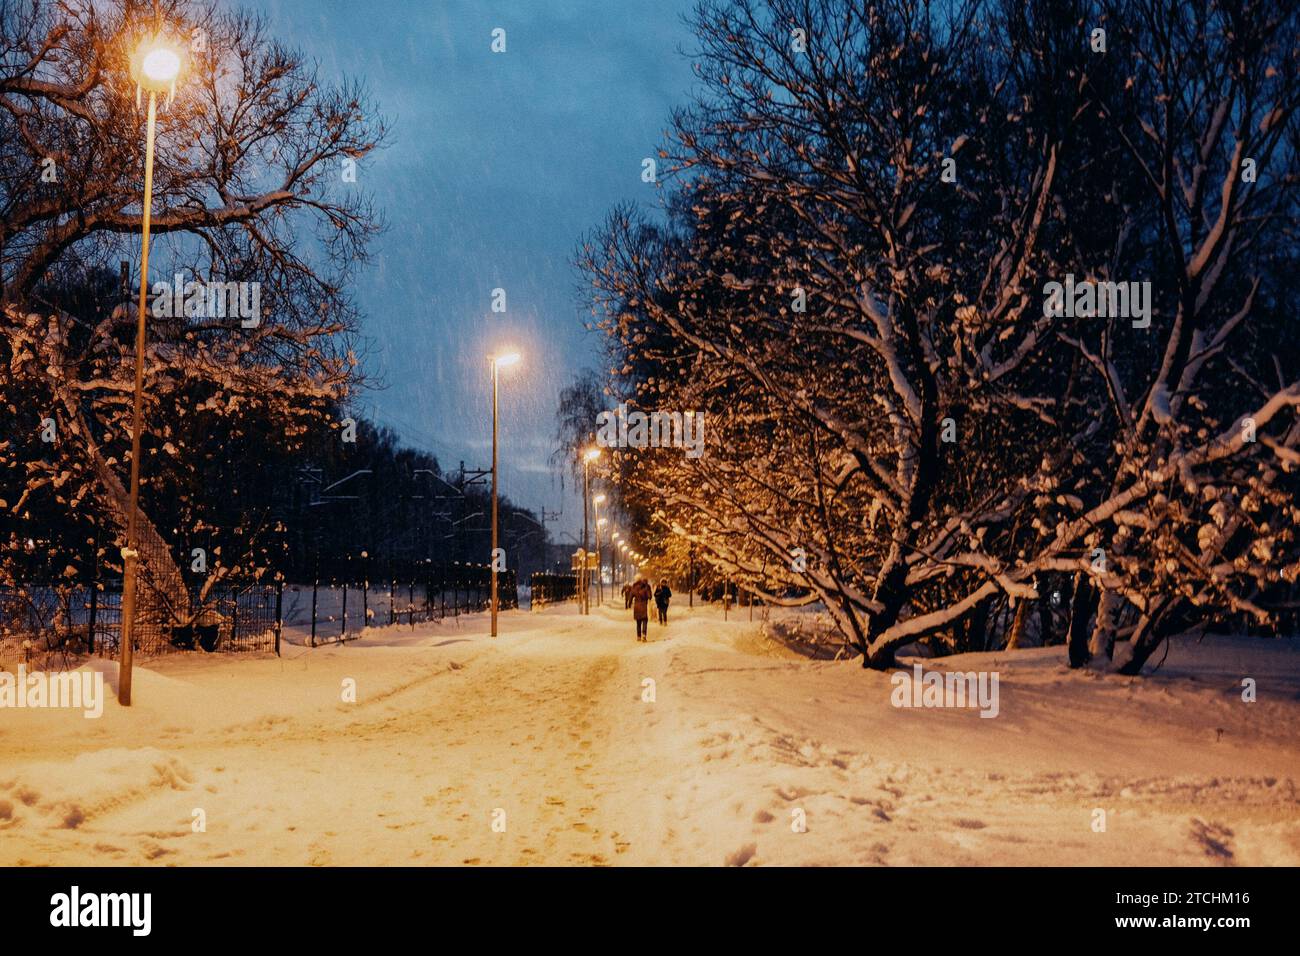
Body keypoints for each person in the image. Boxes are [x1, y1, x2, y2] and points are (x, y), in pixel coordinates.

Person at [629, 577, 652, 642]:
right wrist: (648, 590)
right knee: (645, 620)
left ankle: (638, 636)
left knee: (638, 622)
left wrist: (629, 604)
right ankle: (644, 635)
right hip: (644, 606)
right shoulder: (645, 587)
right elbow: (649, 597)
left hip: (636, 607)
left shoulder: (634, 587)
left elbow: (630, 597)